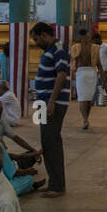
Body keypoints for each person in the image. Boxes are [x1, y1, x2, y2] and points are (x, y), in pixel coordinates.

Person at [32, 21, 70, 197]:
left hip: (49, 103)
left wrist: (52, 101)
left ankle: (57, 186)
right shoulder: (50, 50)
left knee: (51, 142)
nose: (35, 43)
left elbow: (61, 75)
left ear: (45, 35)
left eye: (37, 39)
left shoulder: (58, 48)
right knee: (46, 142)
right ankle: (53, 181)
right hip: (43, 102)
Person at [0, 96, 40, 167]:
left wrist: (33, 150)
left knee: (31, 155)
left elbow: (16, 138)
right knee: (17, 160)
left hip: (1, 157)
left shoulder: (2, 123)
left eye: (0, 113)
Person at [70, 28, 99, 129]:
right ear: (81, 37)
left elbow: (99, 64)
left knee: (89, 99)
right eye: (85, 36)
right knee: (82, 98)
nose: (87, 37)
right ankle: (85, 120)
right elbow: (73, 61)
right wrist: (72, 74)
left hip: (92, 72)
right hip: (81, 73)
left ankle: (86, 118)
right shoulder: (75, 47)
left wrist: (104, 79)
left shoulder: (95, 47)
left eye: (88, 35)